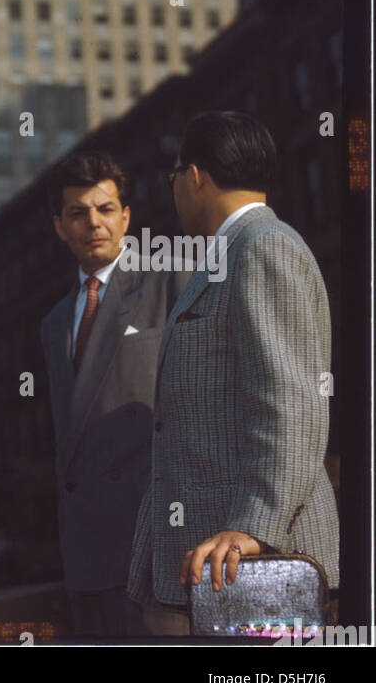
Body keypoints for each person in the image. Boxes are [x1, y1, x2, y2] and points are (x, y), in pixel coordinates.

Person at [128, 112, 339, 634]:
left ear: (195, 176)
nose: (176, 188)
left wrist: (253, 527)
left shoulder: (262, 248)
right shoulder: (230, 253)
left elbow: (292, 402)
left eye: (175, 176)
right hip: (207, 566)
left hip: (252, 569)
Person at [41, 150, 189, 637]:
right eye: (78, 213)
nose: (93, 223)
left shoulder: (173, 282)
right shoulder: (54, 322)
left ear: (126, 217)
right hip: (84, 558)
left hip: (156, 549)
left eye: (105, 209)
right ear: (60, 226)